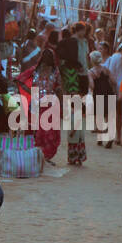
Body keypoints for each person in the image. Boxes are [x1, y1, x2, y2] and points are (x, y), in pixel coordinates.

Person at [56, 35, 87, 166]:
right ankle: (78, 156)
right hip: (75, 92)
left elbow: (63, 82)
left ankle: (73, 156)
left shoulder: (63, 68)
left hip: (69, 92)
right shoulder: (77, 66)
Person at [32, 47, 62, 163]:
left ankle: (41, 156)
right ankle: (46, 156)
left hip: (39, 104)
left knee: (41, 131)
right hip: (51, 104)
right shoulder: (55, 71)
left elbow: (33, 87)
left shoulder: (36, 71)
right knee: (51, 133)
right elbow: (59, 88)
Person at [89, 49, 115, 148]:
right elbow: (113, 81)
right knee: (109, 117)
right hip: (109, 92)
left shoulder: (91, 72)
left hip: (98, 94)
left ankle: (100, 138)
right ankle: (110, 138)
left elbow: (92, 86)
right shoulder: (106, 69)